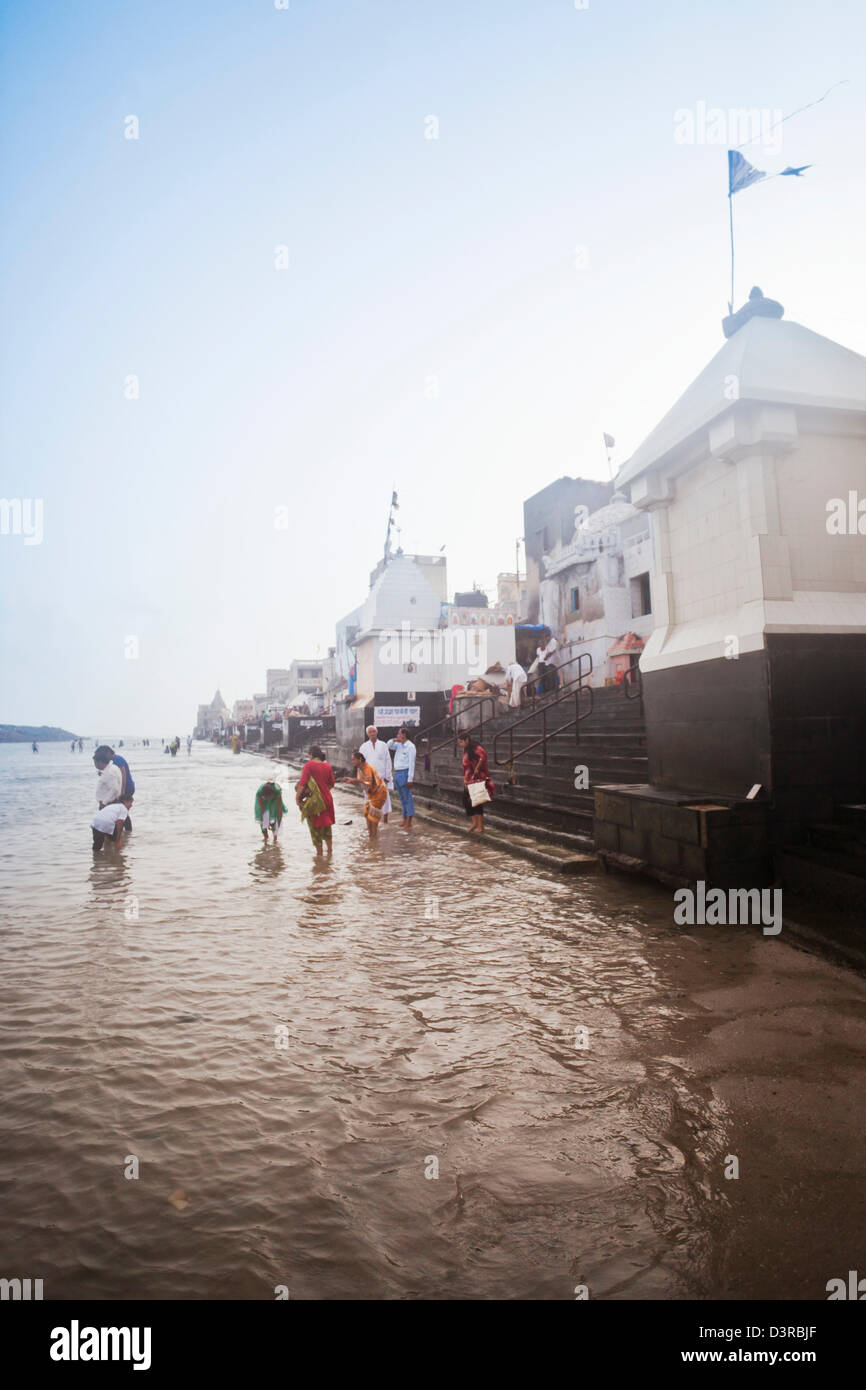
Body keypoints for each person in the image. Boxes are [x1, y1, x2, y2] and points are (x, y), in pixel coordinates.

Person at [295, 745, 336, 856]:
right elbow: (332, 783)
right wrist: (323, 790)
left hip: (314, 802)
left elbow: (302, 783)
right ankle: (330, 853)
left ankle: (319, 856)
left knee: (315, 828)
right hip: (327, 799)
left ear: (311, 755)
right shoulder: (327, 765)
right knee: (327, 828)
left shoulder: (309, 766)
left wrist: (297, 798)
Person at [340, 750, 388, 840]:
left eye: (354, 759)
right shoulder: (360, 768)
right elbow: (361, 784)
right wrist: (351, 781)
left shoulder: (367, 768)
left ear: (360, 759)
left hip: (379, 793)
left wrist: (355, 780)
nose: (352, 761)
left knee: (372, 817)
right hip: (371, 794)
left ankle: (374, 839)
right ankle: (371, 838)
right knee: (366, 814)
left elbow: (368, 782)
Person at [458, 732, 495, 835]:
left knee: (477, 801)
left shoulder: (476, 748)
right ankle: (475, 823)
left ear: (467, 740)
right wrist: (464, 777)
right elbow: (464, 765)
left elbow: (483, 756)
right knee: (466, 801)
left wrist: (477, 768)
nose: (460, 744)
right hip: (468, 777)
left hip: (477, 778)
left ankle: (481, 826)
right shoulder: (466, 750)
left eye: (461, 742)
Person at [359, 725, 393, 824]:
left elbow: (388, 761)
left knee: (385, 799)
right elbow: (361, 764)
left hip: (382, 777)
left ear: (376, 733)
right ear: (367, 734)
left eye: (374, 731)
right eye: (370, 732)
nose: (372, 733)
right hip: (369, 779)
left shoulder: (383, 745)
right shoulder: (363, 747)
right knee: (369, 800)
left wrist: (387, 776)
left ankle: (386, 820)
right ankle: (371, 821)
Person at [386, 728, 417, 829]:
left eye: (399, 734)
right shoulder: (398, 745)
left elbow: (412, 764)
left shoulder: (411, 746)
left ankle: (409, 821)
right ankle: (404, 818)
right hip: (398, 773)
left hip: (405, 772)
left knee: (407, 798)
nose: (397, 735)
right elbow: (387, 746)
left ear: (404, 735)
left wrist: (410, 779)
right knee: (402, 798)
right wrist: (394, 740)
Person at [106, 747, 136, 831]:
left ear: (108, 753)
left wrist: (122, 791)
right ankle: (126, 831)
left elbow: (123, 774)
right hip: (127, 787)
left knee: (123, 810)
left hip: (127, 788)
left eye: (105, 756)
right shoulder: (116, 760)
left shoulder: (117, 759)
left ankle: (127, 831)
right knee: (122, 810)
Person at [255, 779, 286, 844]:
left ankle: (275, 840)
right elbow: (262, 810)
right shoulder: (259, 793)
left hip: (274, 799)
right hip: (262, 799)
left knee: (274, 820)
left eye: (268, 797)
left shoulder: (277, 792)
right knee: (263, 822)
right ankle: (266, 839)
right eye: (266, 797)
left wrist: (278, 824)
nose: (267, 799)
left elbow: (279, 810)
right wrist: (266, 821)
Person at [536, 628, 559, 695]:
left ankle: (554, 690)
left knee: (552, 676)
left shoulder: (553, 641)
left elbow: (551, 652)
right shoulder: (547, 644)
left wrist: (546, 657)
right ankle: (550, 690)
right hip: (548, 663)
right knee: (548, 677)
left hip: (552, 662)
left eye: (547, 637)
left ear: (549, 637)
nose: (546, 639)